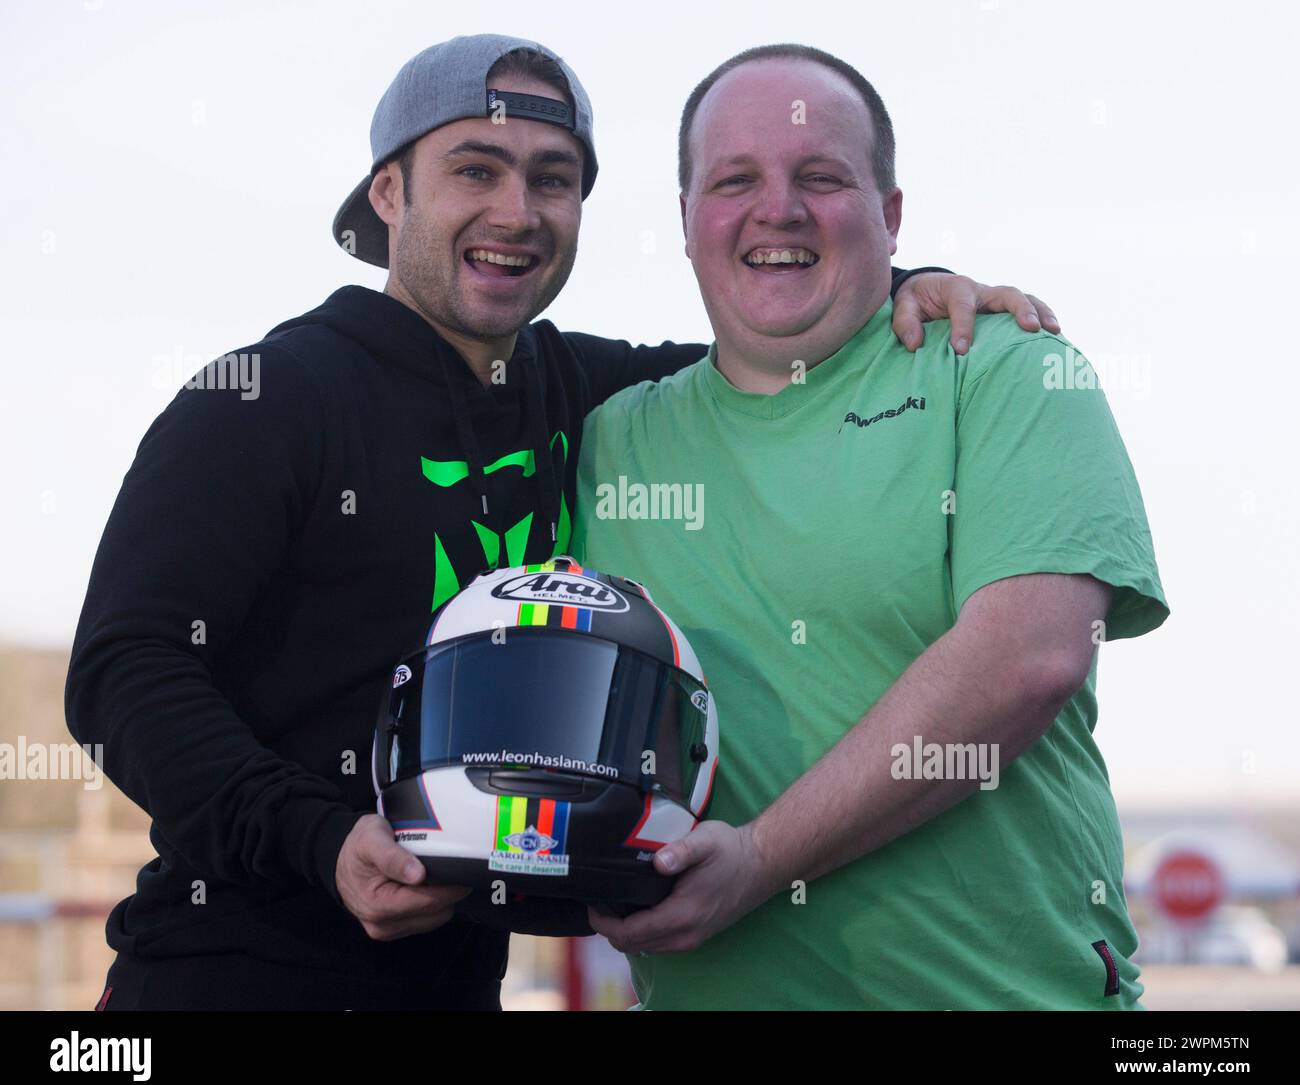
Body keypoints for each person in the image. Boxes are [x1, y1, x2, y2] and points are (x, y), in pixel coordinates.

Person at [66, 34, 1062, 1011]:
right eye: (474, 170)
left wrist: (908, 284)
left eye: (553, 179)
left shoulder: (580, 390)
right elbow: (123, 669)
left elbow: (772, 341)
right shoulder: (269, 398)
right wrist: (318, 842)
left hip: (455, 984)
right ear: (387, 193)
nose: (517, 213)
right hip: (224, 973)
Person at [574, 43, 1169, 1010]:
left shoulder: (1004, 369)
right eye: (735, 181)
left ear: (891, 215)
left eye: (822, 177)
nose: (780, 209)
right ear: (683, 220)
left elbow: (1030, 656)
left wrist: (759, 861)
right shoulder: (606, 441)